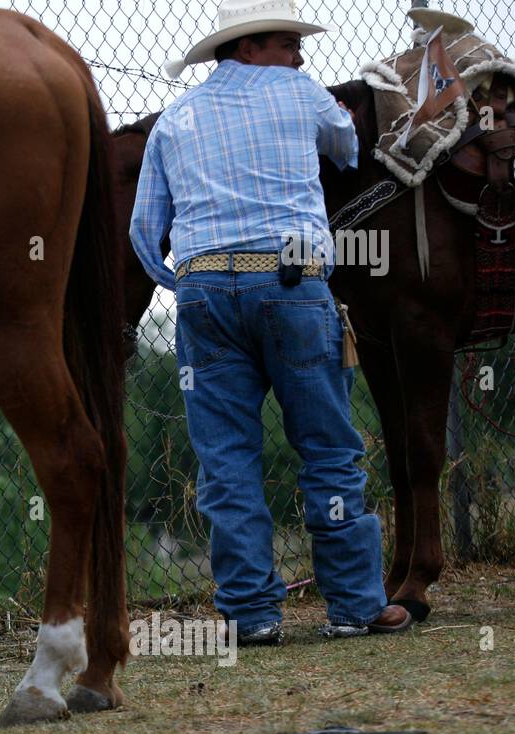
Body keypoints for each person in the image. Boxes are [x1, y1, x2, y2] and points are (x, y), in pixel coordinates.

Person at [130, 0, 412, 644]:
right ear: (252, 47)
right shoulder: (301, 92)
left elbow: (145, 234)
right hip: (291, 279)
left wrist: (189, 282)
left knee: (225, 460)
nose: (299, 54)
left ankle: (251, 614)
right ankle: (353, 606)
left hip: (203, 295)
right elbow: (346, 151)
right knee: (329, 448)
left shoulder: (173, 120)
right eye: (288, 43)